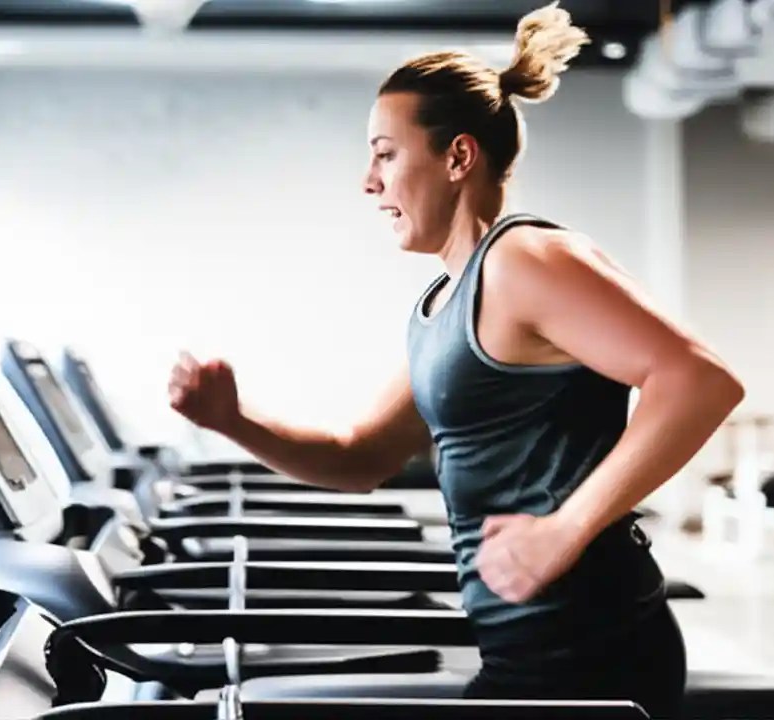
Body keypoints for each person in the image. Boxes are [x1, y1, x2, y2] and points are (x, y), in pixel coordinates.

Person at [167, 3, 744, 716]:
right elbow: (361, 457)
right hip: (527, 651)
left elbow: (698, 381)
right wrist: (233, 419)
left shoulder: (524, 260)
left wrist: (565, 529)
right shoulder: (448, 300)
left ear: (458, 157)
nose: (368, 182)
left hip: (588, 650)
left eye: (385, 153)